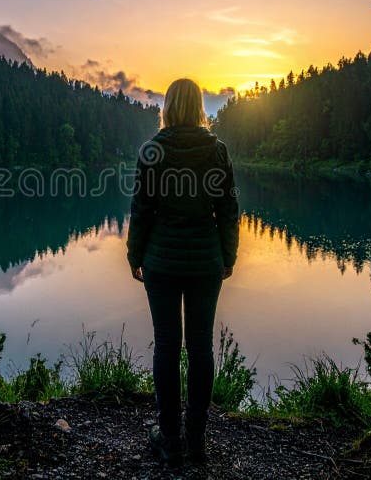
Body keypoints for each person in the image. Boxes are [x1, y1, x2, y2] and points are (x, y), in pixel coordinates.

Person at [126, 78, 239, 466]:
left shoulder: (153, 151)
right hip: (206, 261)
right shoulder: (217, 151)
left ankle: (170, 439)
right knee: (201, 347)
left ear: (169, 106)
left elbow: (141, 210)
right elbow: (227, 209)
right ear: (199, 108)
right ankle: (196, 441)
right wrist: (228, 256)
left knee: (168, 346)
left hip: (161, 262)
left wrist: (134, 255)